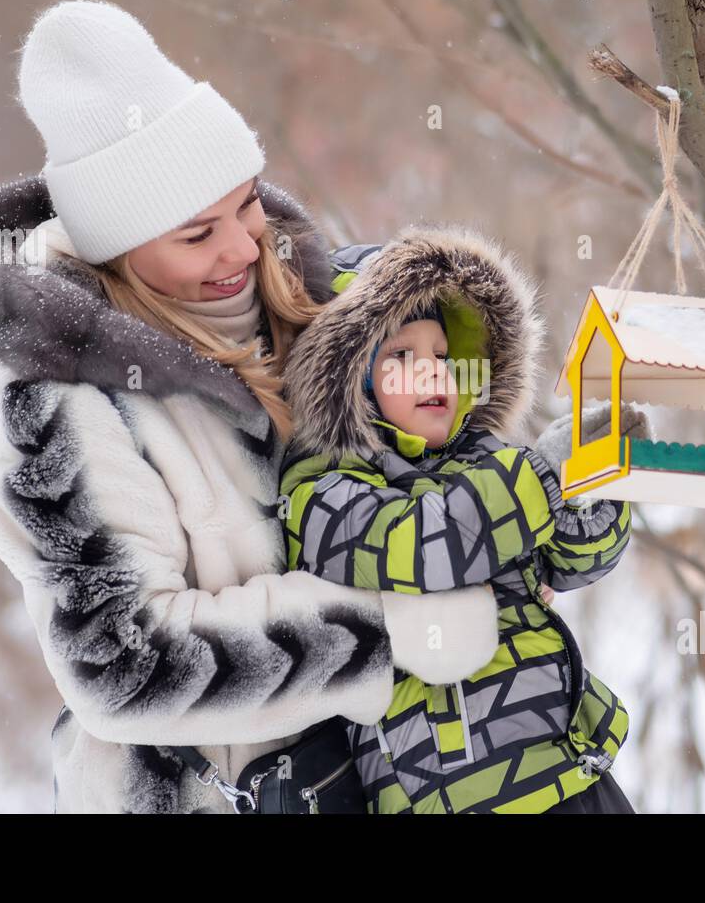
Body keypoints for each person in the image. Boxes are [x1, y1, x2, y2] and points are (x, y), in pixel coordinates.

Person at [0, 0, 505, 812]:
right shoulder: (66, 406)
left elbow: (436, 460)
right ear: (120, 249)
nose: (244, 246)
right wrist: (394, 632)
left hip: (377, 780)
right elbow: (122, 663)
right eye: (197, 235)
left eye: (246, 203)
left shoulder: (324, 305)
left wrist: (535, 516)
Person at [277, 226, 648, 812]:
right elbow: (426, 544)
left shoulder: (490, 465)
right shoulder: (323, 494)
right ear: (351, 383)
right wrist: (544, 477)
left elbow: (573, 564)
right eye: (401, 357)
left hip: (571, 768)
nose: (432, 373)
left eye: (444, 358)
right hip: (453, 793)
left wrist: (589, 489)